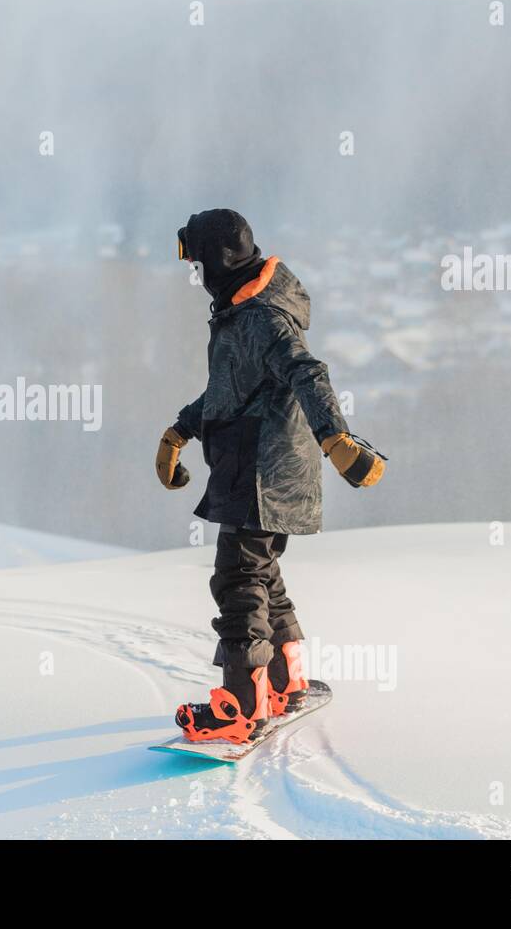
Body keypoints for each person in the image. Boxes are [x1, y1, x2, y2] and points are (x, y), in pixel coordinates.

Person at [155, 209, 386, 744]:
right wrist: (178, 431)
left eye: (197, 262)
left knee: (237, 582)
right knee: (262, 575)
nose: (196, 276)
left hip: (259, 471)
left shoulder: (261, 317)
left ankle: (241, 705)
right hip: (258, 468)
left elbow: (307, 372)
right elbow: (227, 391)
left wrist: (337, 438)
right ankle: (286, 680)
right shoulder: (243, 314)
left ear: (217, 259)